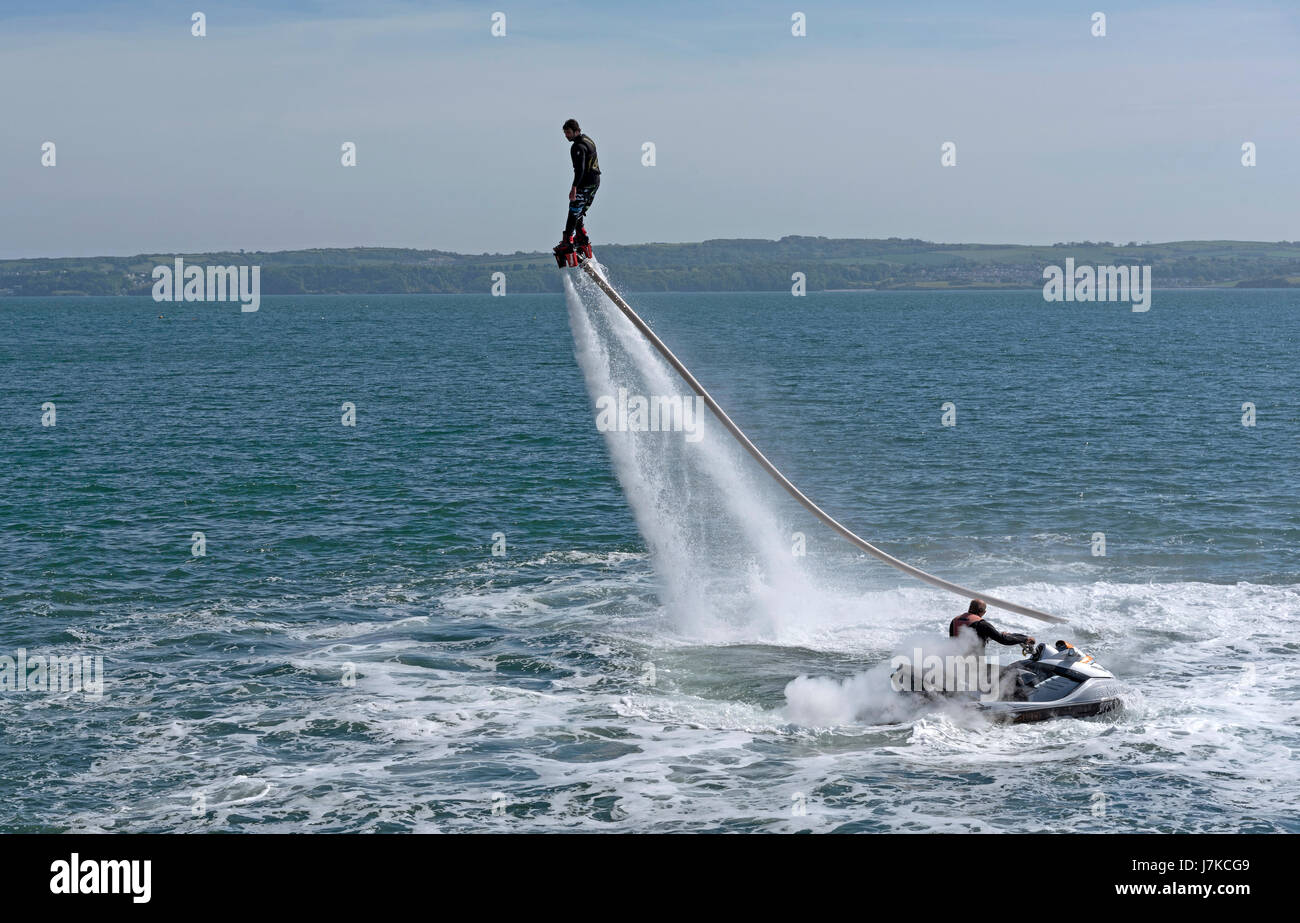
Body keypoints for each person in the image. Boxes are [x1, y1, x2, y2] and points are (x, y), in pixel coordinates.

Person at [554, 118, 600, 262]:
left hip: (585, 184)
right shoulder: (588, 140)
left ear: (576, 131)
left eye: (568, 133)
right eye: (565, 133)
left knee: (573, 210)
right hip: (595, 183)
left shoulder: (577, 147)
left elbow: (579, 170)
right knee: (579, 211)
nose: (566, 136)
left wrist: (574, 188)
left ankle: (568, 242)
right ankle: (582, 238)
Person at [948, 599, 1035, 653]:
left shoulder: (955, 621)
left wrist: (995, 635)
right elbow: (1004, 640)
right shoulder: (982, 624)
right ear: (983, 612)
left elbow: (968, 637)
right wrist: (1025, 638)